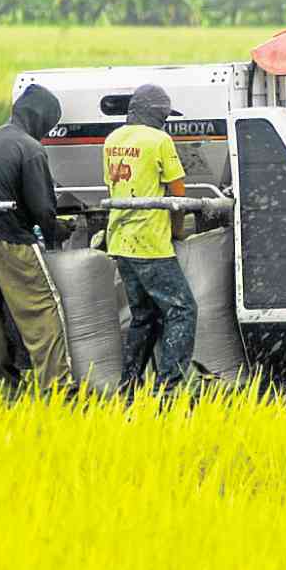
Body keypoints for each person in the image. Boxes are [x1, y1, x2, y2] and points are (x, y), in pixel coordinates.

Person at [0, 83, 71, 391]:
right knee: (40, 308)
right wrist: (56, 235)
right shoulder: (30, 148)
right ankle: (58, 387)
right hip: (9, 239)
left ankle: (1, 388)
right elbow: (43, 210)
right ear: (40, 119)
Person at [103, 83, 197, 393]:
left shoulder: (112, 139)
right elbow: (178, 193)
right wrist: (177, 230)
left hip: (120, 239)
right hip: (149, 243)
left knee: (144, 315)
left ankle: (127, 387)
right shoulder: (159, 140)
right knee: (182, 310)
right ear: (157, 114)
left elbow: (113, 186)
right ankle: (169, 389)